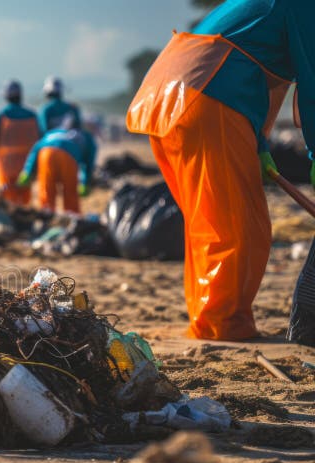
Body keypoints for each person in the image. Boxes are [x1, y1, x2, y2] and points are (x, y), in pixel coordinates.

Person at [125, 0, 315, 341]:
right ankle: (221, 325)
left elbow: (261, 72)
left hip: (166, 94)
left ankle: (211, 320)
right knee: (236, 227)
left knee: (210, 222)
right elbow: (312, 89)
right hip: (205, 98)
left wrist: (259, 144)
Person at [0, 80, 41, 206]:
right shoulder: (32, 115)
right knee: (25, 201)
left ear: (6, 97)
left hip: (6, 165)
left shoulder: (0, 115)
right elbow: (40, 141)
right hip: (27, 164)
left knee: (9, 201)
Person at [18, 123, 97, 213]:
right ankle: (72, 215)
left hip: (46, 153)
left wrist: (27, 172)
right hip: (69, 155)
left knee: (46, 189)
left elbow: (35, 150)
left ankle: (47, 213)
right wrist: (85, 183)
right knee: (70, 191)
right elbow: (89, 164)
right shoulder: (87, 138)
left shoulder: (52, 133)